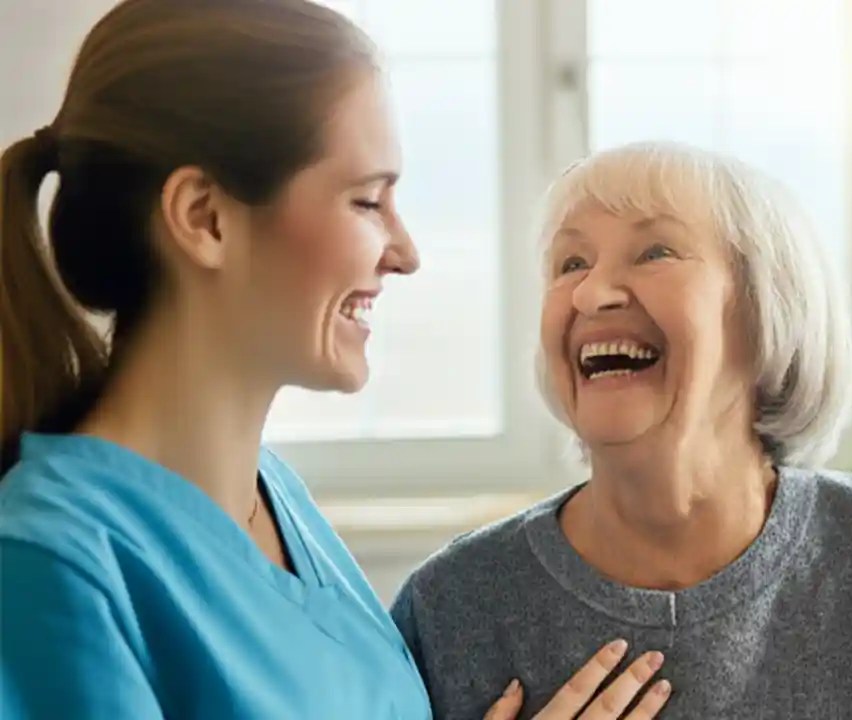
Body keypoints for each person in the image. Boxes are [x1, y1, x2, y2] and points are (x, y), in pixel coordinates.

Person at [0, 2, 670, 718]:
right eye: (367, 201)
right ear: (205, 218)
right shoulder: (53, 562)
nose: (405, 253)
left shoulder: (273, 495)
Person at [393, 142, 852, 719]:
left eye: (655, 251)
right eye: (570, 264)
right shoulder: (452, 605)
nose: (592, 294)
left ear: (769, 310)